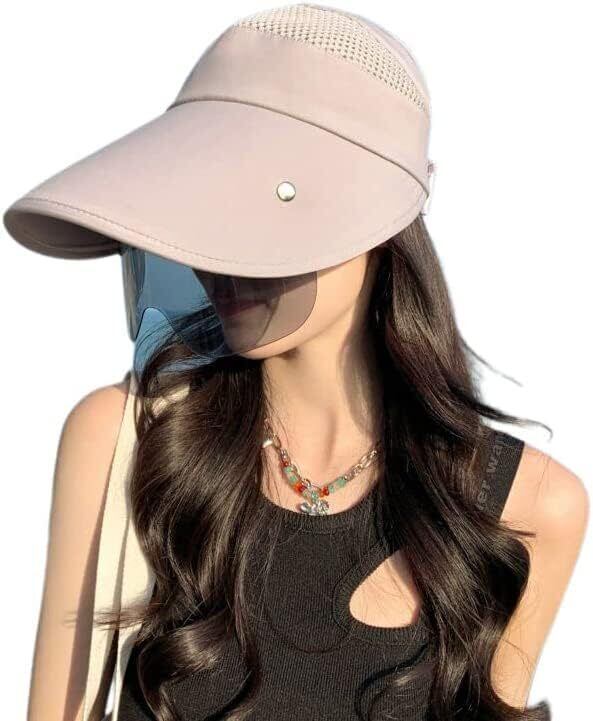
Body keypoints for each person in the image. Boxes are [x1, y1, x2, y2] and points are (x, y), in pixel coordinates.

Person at [3, 4, 588, 721]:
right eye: (206, 214)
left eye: (264, 210)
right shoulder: (127, 440)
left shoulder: (528, 509)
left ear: (370, 220)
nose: (221, 257)